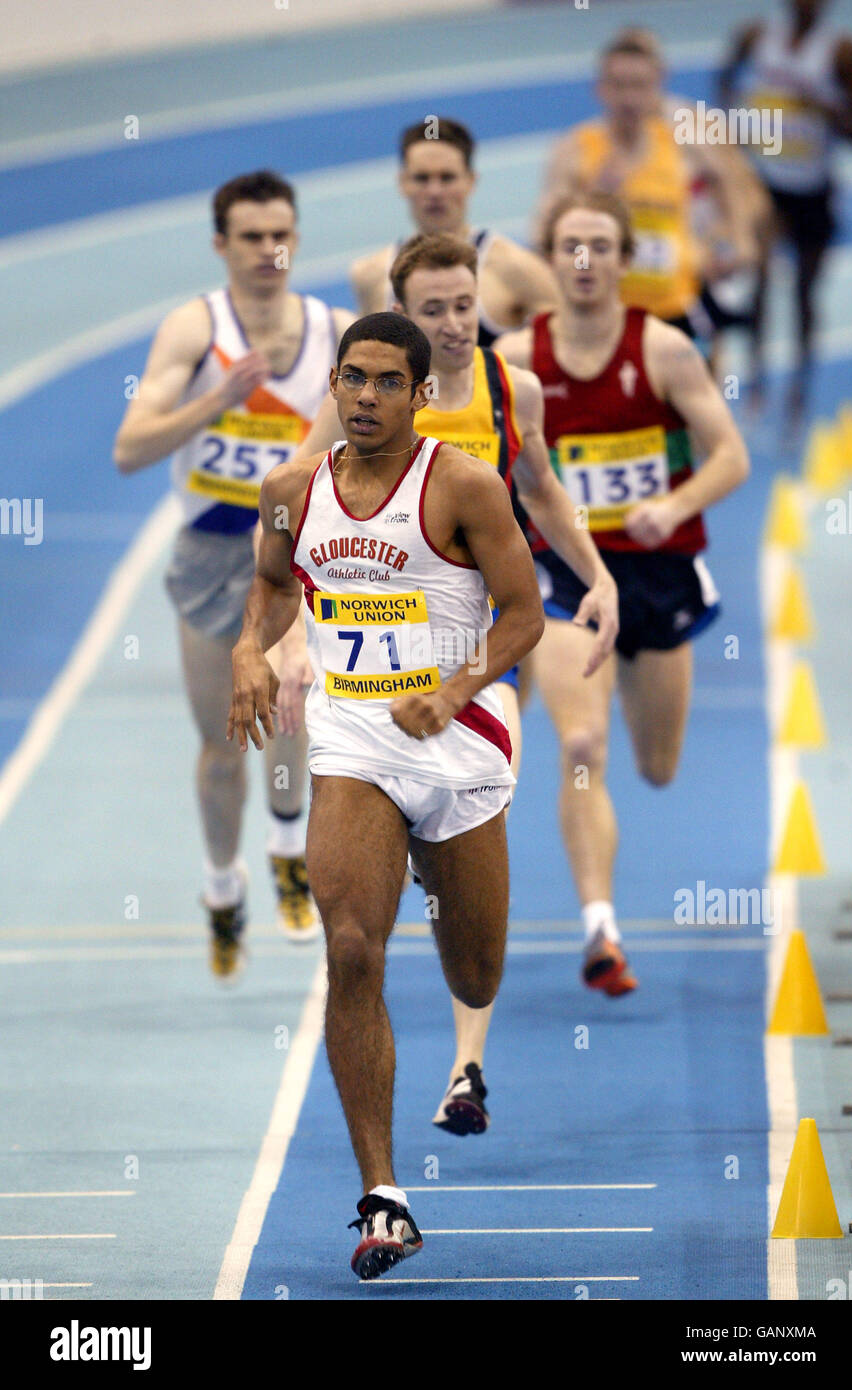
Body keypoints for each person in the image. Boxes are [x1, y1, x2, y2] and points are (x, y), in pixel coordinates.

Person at [227, 312, 545, 1279]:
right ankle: (384, 1197)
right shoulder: (292, 491)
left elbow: (526, 614)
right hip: (356, 740)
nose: (365, 397)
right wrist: (250, 647)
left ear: (420, 393)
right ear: (333, 384)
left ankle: (468, 1009)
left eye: (385, 383)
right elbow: (274, 584)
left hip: (458, 751)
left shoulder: (464, 485)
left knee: (475, 974)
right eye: (351, 379)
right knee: (353, 947)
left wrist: (453, 687)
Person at [295, 232, 619, 1136]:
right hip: (367, 654)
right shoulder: (367, 394)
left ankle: (468, 1059)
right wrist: (281, 642)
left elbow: (542, 487)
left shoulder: (512, 386)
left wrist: (596, 574)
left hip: (488, 629)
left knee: (543, 774)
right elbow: (302, 518)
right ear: (402, 310)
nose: (449, 322)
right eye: (430, 309)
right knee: (364, 924)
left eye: (463, 306)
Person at [496, 190, 749, 1003]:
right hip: (570, 576)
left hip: (658, 572)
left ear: (624, 257)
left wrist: (672, 506)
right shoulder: (515, 360)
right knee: (580, 748)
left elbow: (730, 457)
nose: (584, 261)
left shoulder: (666, 350)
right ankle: (600, 928)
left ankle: (603, 911)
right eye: (569, 245)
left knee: (659, 767)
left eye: (600, 246)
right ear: (550, 253)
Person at [113, 170, 353, 979]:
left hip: (296, 552)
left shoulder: (334, 332)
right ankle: (224, 888)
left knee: (293, 705)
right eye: (249, 236)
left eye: (279, 233)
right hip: (211, 553)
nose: (267, 250)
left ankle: (289, 846)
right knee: (223, 741)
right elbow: (129, 449)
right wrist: (215, 401)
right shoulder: (194, 327)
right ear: (221, 244)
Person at [535, 29, 758, 343]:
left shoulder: (683, 142)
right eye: (619, 86)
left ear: (658, 89)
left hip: (675, 310)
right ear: (600, 89)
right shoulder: (574, 150)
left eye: (640, 86)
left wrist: (737, 242)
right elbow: (542, 231)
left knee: (702, 385)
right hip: (603, 315)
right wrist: (595, 196)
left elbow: (728, 181)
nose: (629, 98)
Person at [719, 0, 852, 422]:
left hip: (814, 191)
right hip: (765, 187)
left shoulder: (842, 52)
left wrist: (825, 110)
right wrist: (734, 123)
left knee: (803, 293)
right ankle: (757, 381)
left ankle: (800, 387)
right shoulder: (755, 36)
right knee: (759, 283)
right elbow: (725, 78)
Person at [351, 117, 558, 346]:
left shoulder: (516, 267)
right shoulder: (371, 275)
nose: (435, 191)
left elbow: (567, 346)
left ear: (470, 181)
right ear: (403, 183)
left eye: (447, 178)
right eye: (422, 178)